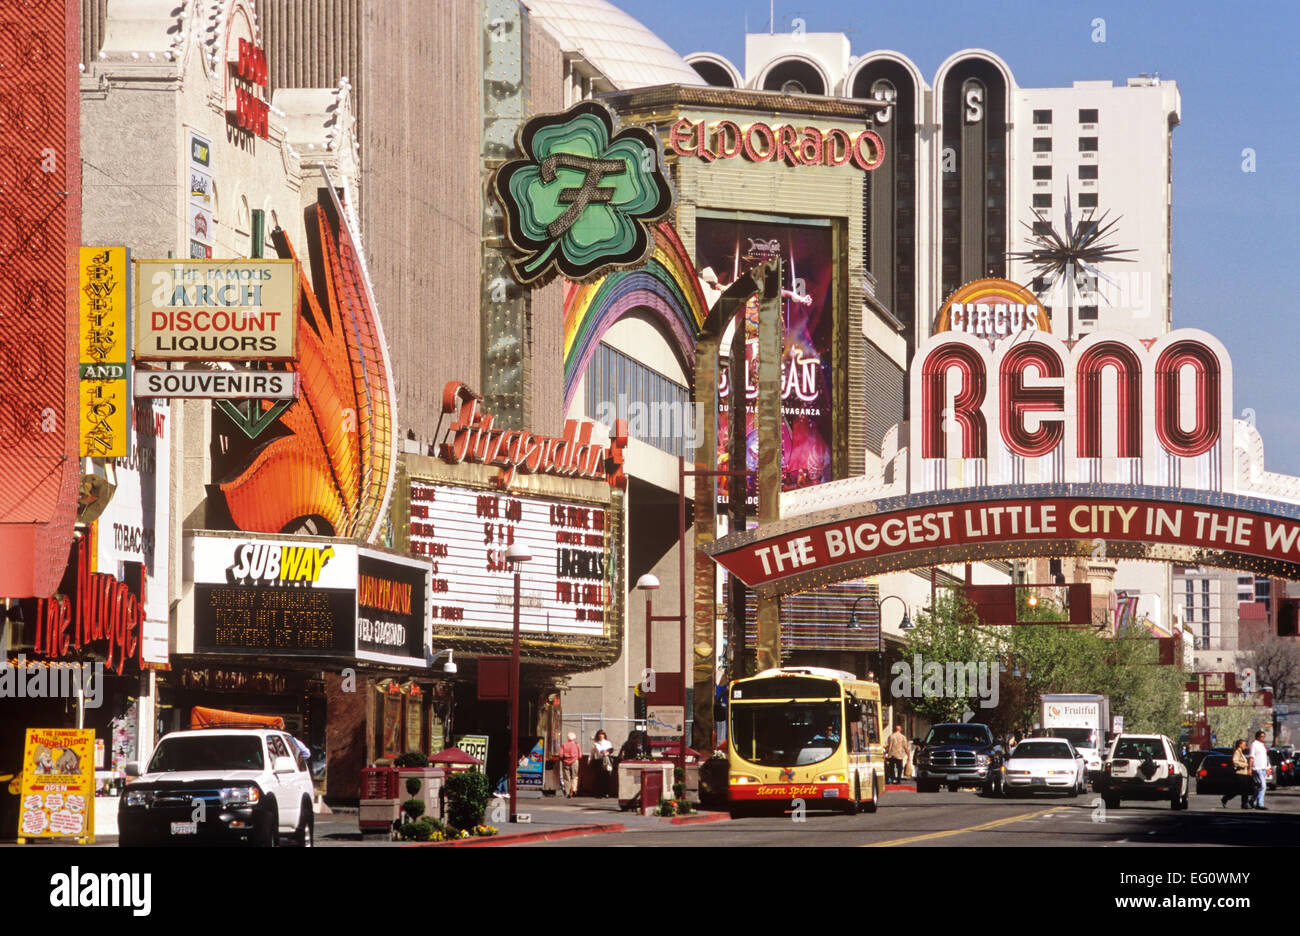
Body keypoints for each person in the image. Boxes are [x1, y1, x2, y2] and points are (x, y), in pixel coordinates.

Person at [1224, 738, 1252, 810]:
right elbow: (1234, 761)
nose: (1245, 746)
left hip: (1244, 773)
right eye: (1244, 744)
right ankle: (1226, 798)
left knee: (1245, 789)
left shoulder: (1241, 752)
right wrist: (1244, 764)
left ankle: (1244, 804)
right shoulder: (1237, 752)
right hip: (1240, 773)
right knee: (1238, 789)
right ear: (1240, 745)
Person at [591, 730, 615, 798]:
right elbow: (592, 753)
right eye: (599, 734)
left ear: (604, 735)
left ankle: (606, 792)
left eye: (602, 734)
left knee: (606, 777)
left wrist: (607, 752)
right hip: (598, 761)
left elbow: (611, 750)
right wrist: (589, 760)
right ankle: (599, 793)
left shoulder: (607, 743)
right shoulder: (595, 744)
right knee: (598, 777)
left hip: (606, 760)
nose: (601, 736)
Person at [1250, 730, 1270, 810]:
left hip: (1263, 769)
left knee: (1259, 787)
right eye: (1261, 736)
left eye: (1264, 736)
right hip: (1257, 768)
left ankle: (1252, 800)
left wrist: (1267, 768)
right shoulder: (1254, 745)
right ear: (1257, 737)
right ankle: (1260, 804)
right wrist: (1250, 768)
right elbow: (1251, 757)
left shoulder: (1262, 745)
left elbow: (1265, 758)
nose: (1263, 738)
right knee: (1263, 786)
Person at [559, 731, 582, 798]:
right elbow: (580, 755)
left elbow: (560, 755)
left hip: (565, 762)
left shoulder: (564, 745)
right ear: (574, 738)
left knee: (566, 777)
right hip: (575, 761)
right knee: (574, 776)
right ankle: (574, 789)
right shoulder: (576, 744)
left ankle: (567, 791)